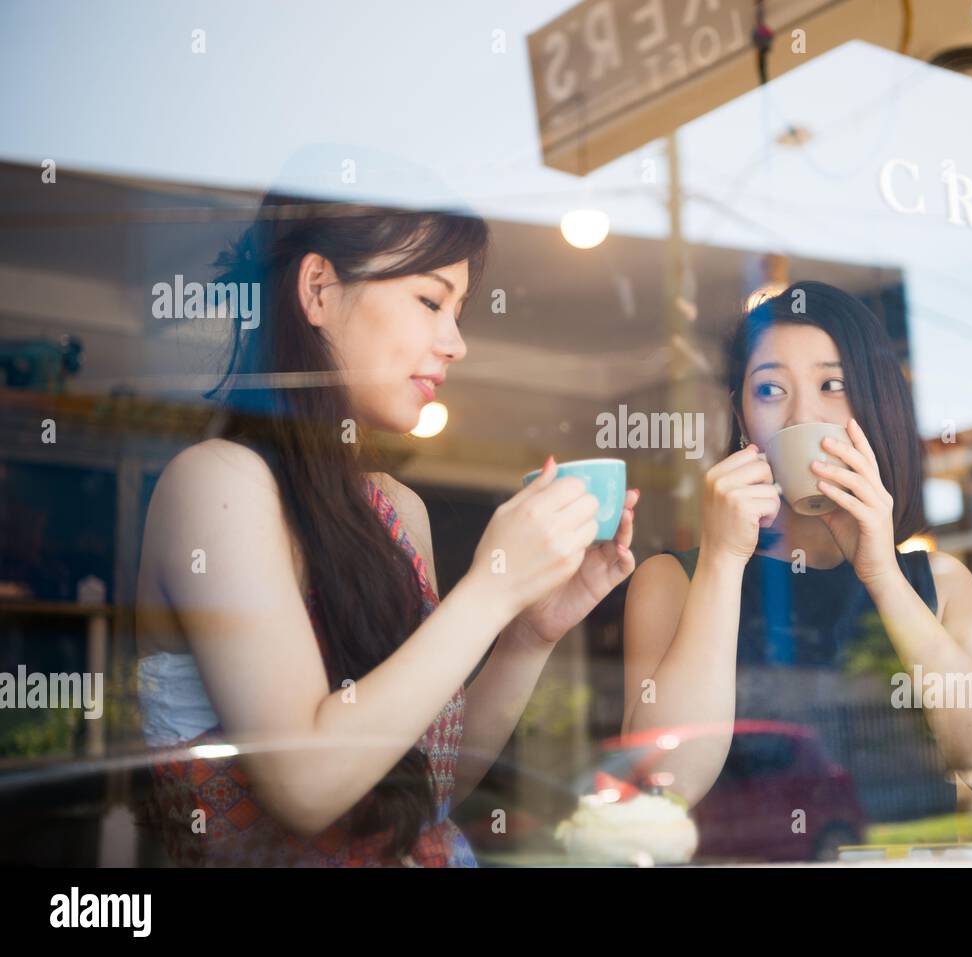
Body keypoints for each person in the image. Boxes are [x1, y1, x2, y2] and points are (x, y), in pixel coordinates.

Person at [133, 156, 639, 867]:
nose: (456, 342)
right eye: (431, 302)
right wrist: (491, 588)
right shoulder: (214, 485)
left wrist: (528, 630)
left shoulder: (396, 508)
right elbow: (307, 784)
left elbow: (426, 791)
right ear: (319, 289)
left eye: (458, 312)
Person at [621, 281, 972, 833]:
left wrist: (882, 573)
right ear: (742, 421)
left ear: (874, 406)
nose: (800, 416)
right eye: (769, 390)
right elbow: (664, 785)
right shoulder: (674, 581)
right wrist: (722, 561)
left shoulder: (941, 583)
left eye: (832, 384)